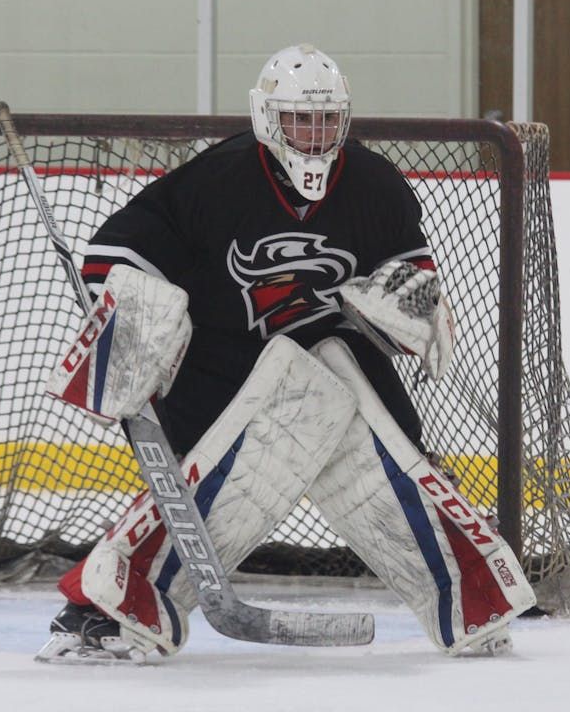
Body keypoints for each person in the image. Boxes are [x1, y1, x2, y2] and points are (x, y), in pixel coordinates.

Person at [35, 44, 535, 664]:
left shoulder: (377, 184)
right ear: (268, 117)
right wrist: (134, 308)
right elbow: (116, 257)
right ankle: (104, 610)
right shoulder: (217, 179)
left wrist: (407, 309)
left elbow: (414, 274)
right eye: (300, 119)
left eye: (326, 120)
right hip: (224, 372)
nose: (315, 134)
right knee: (228, 490)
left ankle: (472, 604)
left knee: (386, 475)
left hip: (342, 363)